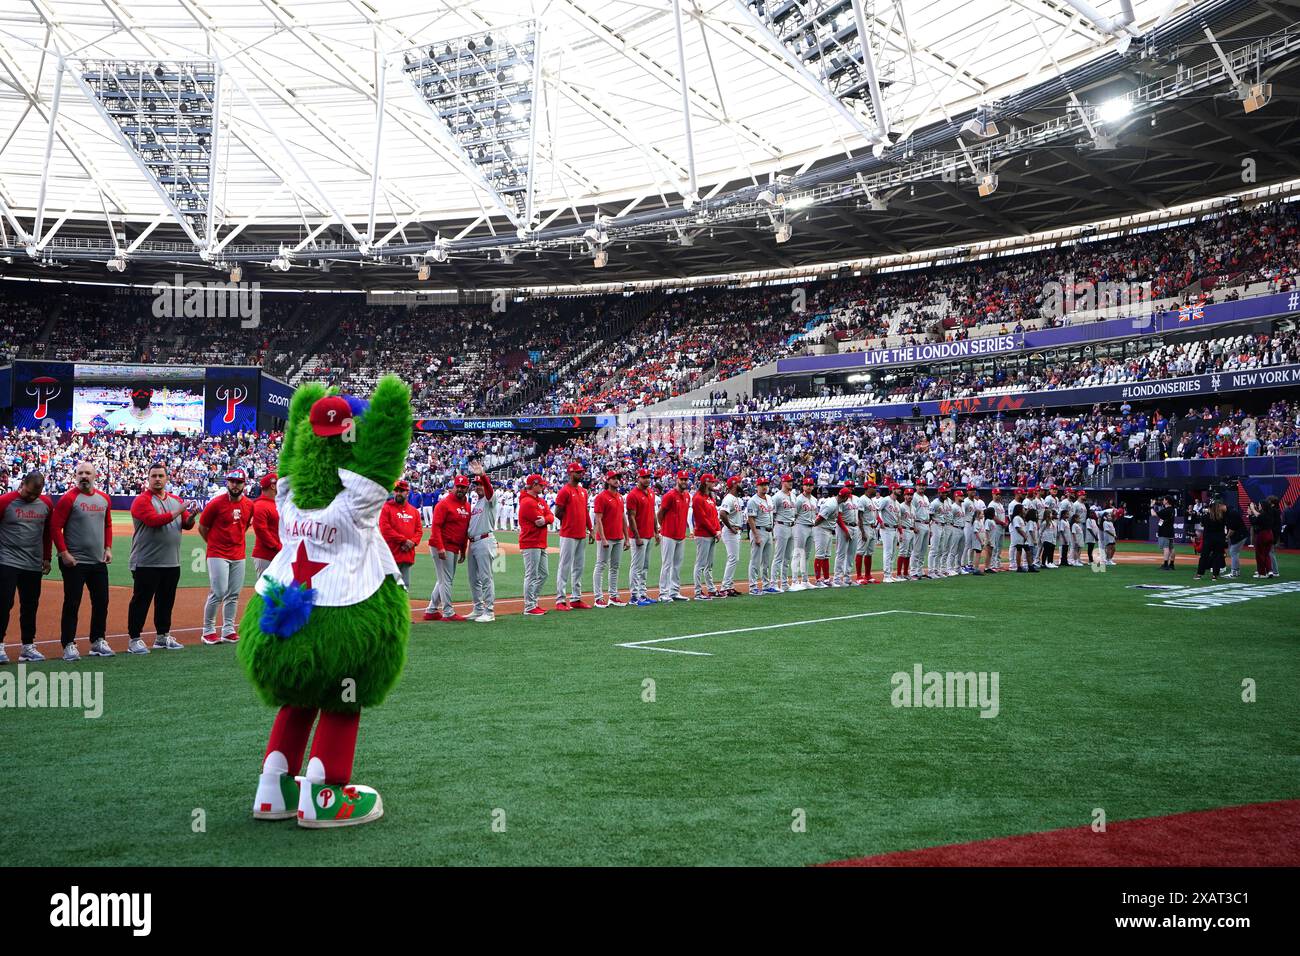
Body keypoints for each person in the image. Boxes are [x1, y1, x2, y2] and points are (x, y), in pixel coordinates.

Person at [127, 462, 195, 654]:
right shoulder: (142, 500)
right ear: (148, 479)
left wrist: (190, 518)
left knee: (166, 601)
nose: (157, 479)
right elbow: (154, 521)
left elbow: (187, 524)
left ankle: (162, 636)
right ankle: (134, 639)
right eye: (154, 476)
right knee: (141, 600)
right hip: (146, 561)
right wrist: (180, 511)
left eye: (160, 476)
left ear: (167, 478)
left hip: (171, 561)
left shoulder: (174, 499)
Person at [50, 461, 114, 661]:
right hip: (74, 562)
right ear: (75, 476)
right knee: (72, 602)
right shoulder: (69, 498)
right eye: (80, 473)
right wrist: (64, 553)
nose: (84, 476)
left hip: (97, 561)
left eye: (88, 473)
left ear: (95, 476)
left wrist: (108, 548)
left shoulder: (104, 498)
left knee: (101, 601)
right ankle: (68, 643)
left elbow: (108, 525)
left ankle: (97, 640)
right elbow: (54, 527)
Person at [0, 471, 53, 664]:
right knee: (4, 603)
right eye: (29, 493)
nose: (31, 498)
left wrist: (47, 557)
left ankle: (28, 646)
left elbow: (47, 532)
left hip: (32, 563)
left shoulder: (46, 504)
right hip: (7, 561)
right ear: (22, 484)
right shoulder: (5, 501)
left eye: (35, 495)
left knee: (30, 605)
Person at [199, 468, 253, 645]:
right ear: (227, 483)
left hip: (238, 553)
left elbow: (244, 527)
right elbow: (203, 527)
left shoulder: (249, 505)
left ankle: (228, 630)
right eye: (232, 481)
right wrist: (213, 544)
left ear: (244, 484)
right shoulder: (216, 503)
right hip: (218, 552)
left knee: (234, 593)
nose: (235, 485)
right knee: (219, 592)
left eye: (238, 482)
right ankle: (208, 630)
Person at [426, 475, 471, 622]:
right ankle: (448, 612)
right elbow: (436, 527)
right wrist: (440, 547)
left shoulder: (467, 505)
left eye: (463, 487)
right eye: (457, 486)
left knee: (444, 579)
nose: (460, 489)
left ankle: (432, 610)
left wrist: (463, 550)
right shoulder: (444, 504)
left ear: (467, 488)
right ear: (453, 487)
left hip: (454, 547)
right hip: (442, 545)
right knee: (446, 579)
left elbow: (464, 530)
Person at [554, 463, 593, 611]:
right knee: (564, 566)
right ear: (570, 473)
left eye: (581, 472)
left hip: (581, 533)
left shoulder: (583, 491)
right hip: (568, 533)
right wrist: (569, 521)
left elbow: (585, 511)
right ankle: (560, 600)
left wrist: (590, 528)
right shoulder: (564, 491)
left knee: (578, 567)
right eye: (578, 472)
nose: (580, 474)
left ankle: (576, 598)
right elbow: (558, 512)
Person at [464, 461, 498, 622]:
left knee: (486, 577)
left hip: (485, 540)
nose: (478, 487)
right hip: (473, 543)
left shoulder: (490, 499)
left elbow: (489, 490)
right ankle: (478, 608)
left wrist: (483, 475)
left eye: (480, 485)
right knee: (473, 578)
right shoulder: (476, 502)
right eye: (476, 485)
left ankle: (489, 611)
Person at [592, 470, 629, 609]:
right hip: (606, 538)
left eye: (618, 478)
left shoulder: (619, 497)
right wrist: (603, 538)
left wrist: (626, 537)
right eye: (613, 478)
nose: (616, 480)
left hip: (618, 537)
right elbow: (598, 519)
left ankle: (613, 596)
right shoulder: (601, 497)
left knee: (615, 567)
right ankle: (598, 598)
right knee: (601, 565)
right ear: (607, 481)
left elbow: (623, 518)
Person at [518, 474, 554, 616]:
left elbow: (550, 516)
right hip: (531, 541)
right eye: (541, 485)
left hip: (540, 542)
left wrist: (545, 519)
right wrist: (546, 519)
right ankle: (529, 606)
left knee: (544, 574)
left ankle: (533, 600)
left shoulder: (539, 500)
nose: (543, 487)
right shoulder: (527, 502)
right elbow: (538, 519)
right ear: (533, 485)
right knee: (531, 575)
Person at [380, 478, 422, 590]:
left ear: (407, 492)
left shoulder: (414, 511)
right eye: (396, 490)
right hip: (390, 554)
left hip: (406, 553)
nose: (398, 493)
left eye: (401, 491)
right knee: (389, 587)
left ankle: (402, 608)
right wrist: (404, 540)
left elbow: (419, 531)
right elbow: (385, 529)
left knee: (405, 586)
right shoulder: (386, 508)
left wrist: (412, 542)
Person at [625, 468, 658, 606]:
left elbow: (653, 513)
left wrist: (656, 532)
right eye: (644, 477)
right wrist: (637, 536)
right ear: (638, 478)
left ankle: (642, 593)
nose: (647, 479)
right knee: (637, 566)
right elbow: (631, 517)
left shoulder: (651, 492)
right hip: (638, 536)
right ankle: (634, 596)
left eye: (648, 477)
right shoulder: (633, 495)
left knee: (644, 566)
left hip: (649, 534)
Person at [657, 470, 690, 602]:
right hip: (668, 534)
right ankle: (663, 593)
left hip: (681, 535)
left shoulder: (687, 496)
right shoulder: (670, 495)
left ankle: (674, 591)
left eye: (685, 479)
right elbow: (660, 514)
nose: (684, 482)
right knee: (667, 564)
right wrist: (663, 527)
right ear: (677, 480)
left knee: (677, 565)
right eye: (682, 479)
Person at [691, 474, 721, 601]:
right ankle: (698, 592)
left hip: (711, 533)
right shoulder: (698, 498)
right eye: (712, 482)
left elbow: (714, 515)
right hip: (703, 534)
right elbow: (702, 519)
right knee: (701, 564)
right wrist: (715, 532)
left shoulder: (709, 497)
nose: (714, 484)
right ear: (706, 483)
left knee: (709, 564)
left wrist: (718, 529)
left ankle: (711, 589)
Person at [746, 477, 776, 594]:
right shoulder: (753, 501)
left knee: (766, 561)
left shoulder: (769, 498)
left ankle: (766, 585)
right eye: (762, 484)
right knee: (755, 561)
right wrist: (756, 535)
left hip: (768, 532)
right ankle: (753, 587)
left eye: (766, 484)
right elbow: (751, 519)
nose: (764, 486)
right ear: (757, 486)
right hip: (759, 531)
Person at [251, 473, 282, 578]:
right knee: (266, 591)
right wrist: (278, 547)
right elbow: (261, 530)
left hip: (278, 554)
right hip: (265, 555)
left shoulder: (277, 503)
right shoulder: (260, 505)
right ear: (273, 486)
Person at [718, 476, 745, 596]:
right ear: (734, 484)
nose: (741, 484)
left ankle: (729, 586)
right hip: (730, 532)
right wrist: (730, 527)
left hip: (735, 531)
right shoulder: (729, 498)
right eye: (739, 482)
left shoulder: (736, 498)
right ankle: (725, 587)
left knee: (734, 559)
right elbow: (722, 514)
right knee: (733, 559)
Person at [770, 475, 797, 592]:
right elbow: (772, 513)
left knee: (787, 557)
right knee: (778, 557)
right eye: (788, 481)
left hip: (791, 526)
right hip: (781, 526)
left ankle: (785, 583)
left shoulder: (793, 495)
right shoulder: (777, 497)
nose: (791, 483)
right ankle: (773, 583)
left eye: (791, 481)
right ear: (783, 482)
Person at [790, 477, 817, 590]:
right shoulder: (799, 499)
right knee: (797, 553)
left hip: (811, 527)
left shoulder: (814, 499)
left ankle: (805, 580)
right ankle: (794, 581)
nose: (809, 487)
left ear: (813, 486)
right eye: (806, 485)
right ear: (803, 486)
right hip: (800, 526)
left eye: (810, 485)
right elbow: (794, 515)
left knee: (806, 555)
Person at [1249, 497, 1282, 578]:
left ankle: (1262, 573)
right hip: (1270, 534)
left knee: (1259, 554)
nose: (1259, 506)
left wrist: (1252, 510)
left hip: (1262, 535)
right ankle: (1269, 571)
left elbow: (1256, 519)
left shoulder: (1263, 515)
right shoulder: (1270, 514)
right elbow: (1259, 515)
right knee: (1267, 554)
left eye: (1260, 505)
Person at [1195, 501, 1227, 581]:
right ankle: (1214, 576)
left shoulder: (1206, 516)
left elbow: (1202, 524)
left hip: (1208, 539)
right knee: (1217, 556)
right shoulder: (1222, 516)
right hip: (1219, 539)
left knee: (1204, 556)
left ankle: (1199, 574)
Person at [1226, 504, 1248, 578]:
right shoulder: (1231, 512)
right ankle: (1236, 571)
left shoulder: (1232, 513)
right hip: (1240, 534)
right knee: (1234, 552)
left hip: (1240, 535)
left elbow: (1232, 529)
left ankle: (1234, 572)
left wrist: (1226, 537)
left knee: (1233, 552)